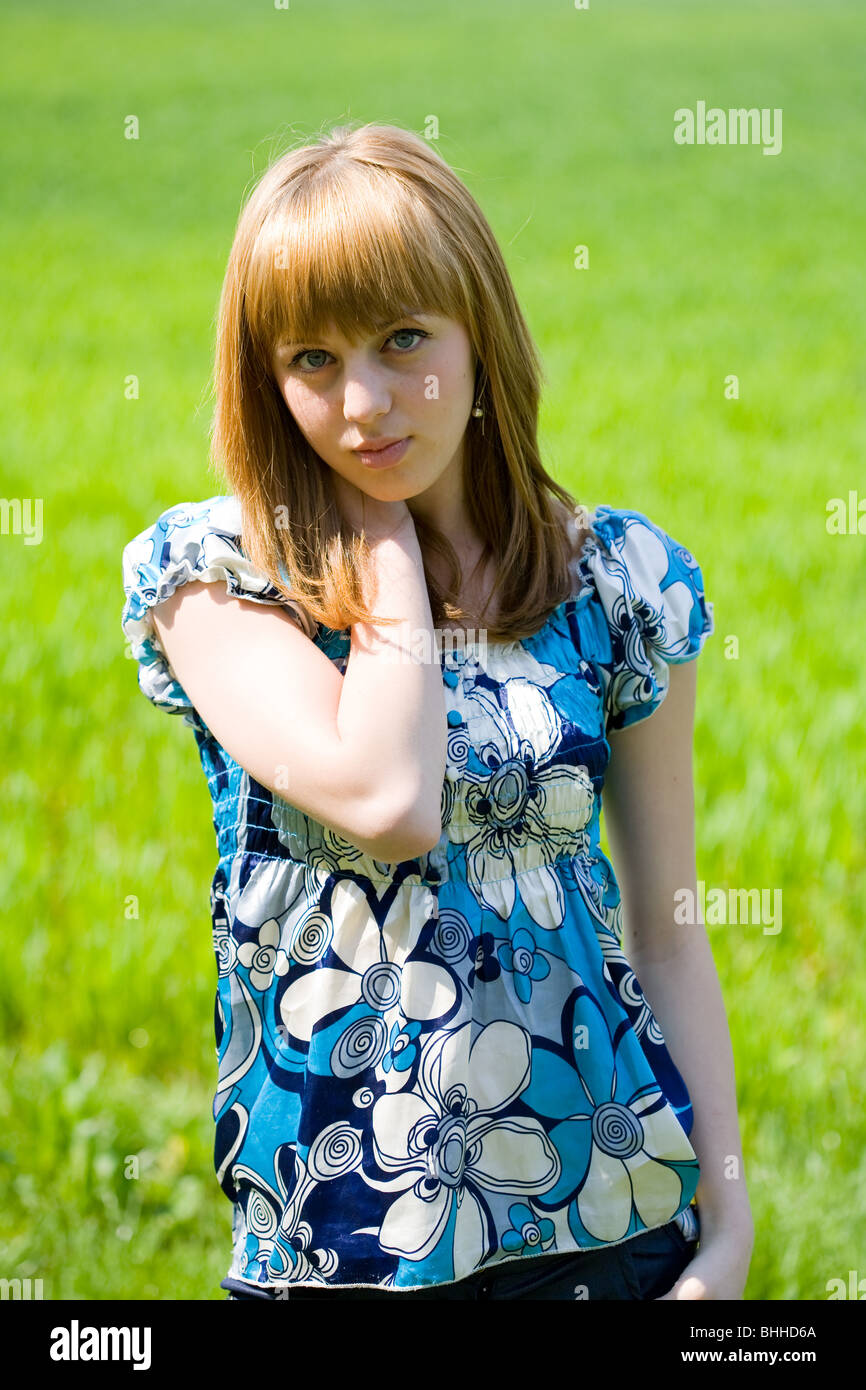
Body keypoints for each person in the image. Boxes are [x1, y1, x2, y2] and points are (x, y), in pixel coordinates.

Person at [120, 122, 754, 1301]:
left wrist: (725, 1222)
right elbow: (390, 799)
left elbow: (667, 930)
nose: (362, 402)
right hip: (343, 1236)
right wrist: (383, 541)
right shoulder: (215, 583)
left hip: (610, 1216)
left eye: (401, 339)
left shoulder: (614, 582)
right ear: (264, 377)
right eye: (310, 359)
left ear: (480, 335)